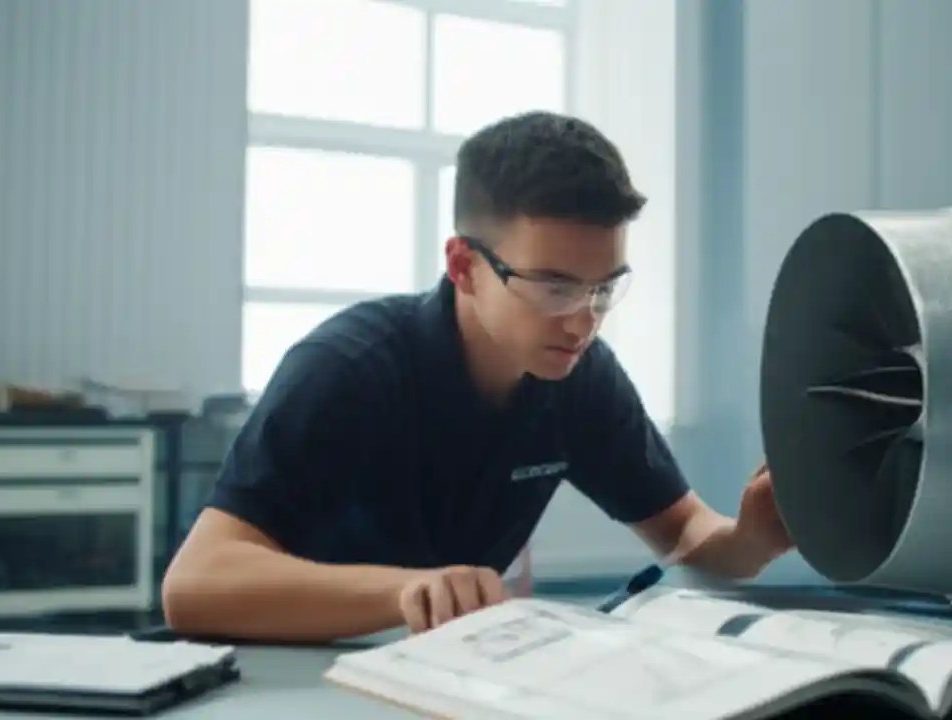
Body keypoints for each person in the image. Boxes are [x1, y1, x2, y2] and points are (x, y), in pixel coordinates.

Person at [161, 111, 793, 642]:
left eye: (604, 288)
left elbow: (683, 532)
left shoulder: (579, 376)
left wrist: (751, 539)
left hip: (452, 673)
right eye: (552, 286)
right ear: (464, 265)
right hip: (301, 666)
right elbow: (195, 585)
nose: (583, 323)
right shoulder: (346, 369)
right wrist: (410, 590)